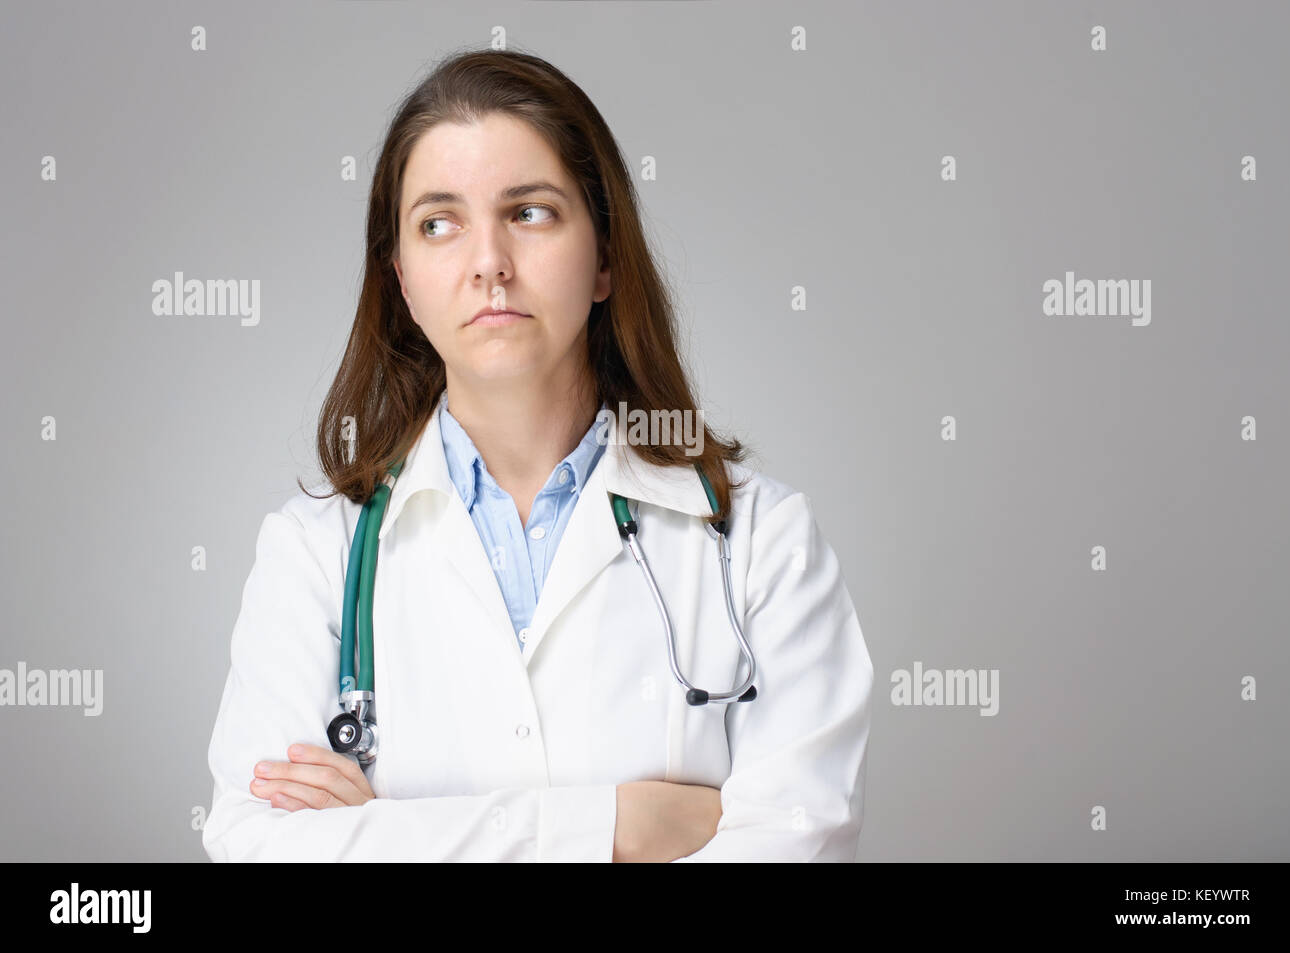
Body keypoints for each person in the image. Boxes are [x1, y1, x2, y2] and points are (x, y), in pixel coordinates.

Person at [202, 47, 873, 862]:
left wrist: (377, 830)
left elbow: (800, 845)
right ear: (403, 281)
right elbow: (254, 846)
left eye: (529, 212)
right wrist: (623, 827)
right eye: (438, 224)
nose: (488, 262)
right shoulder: (315, 551)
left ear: (604, 260)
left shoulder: (761, 541)